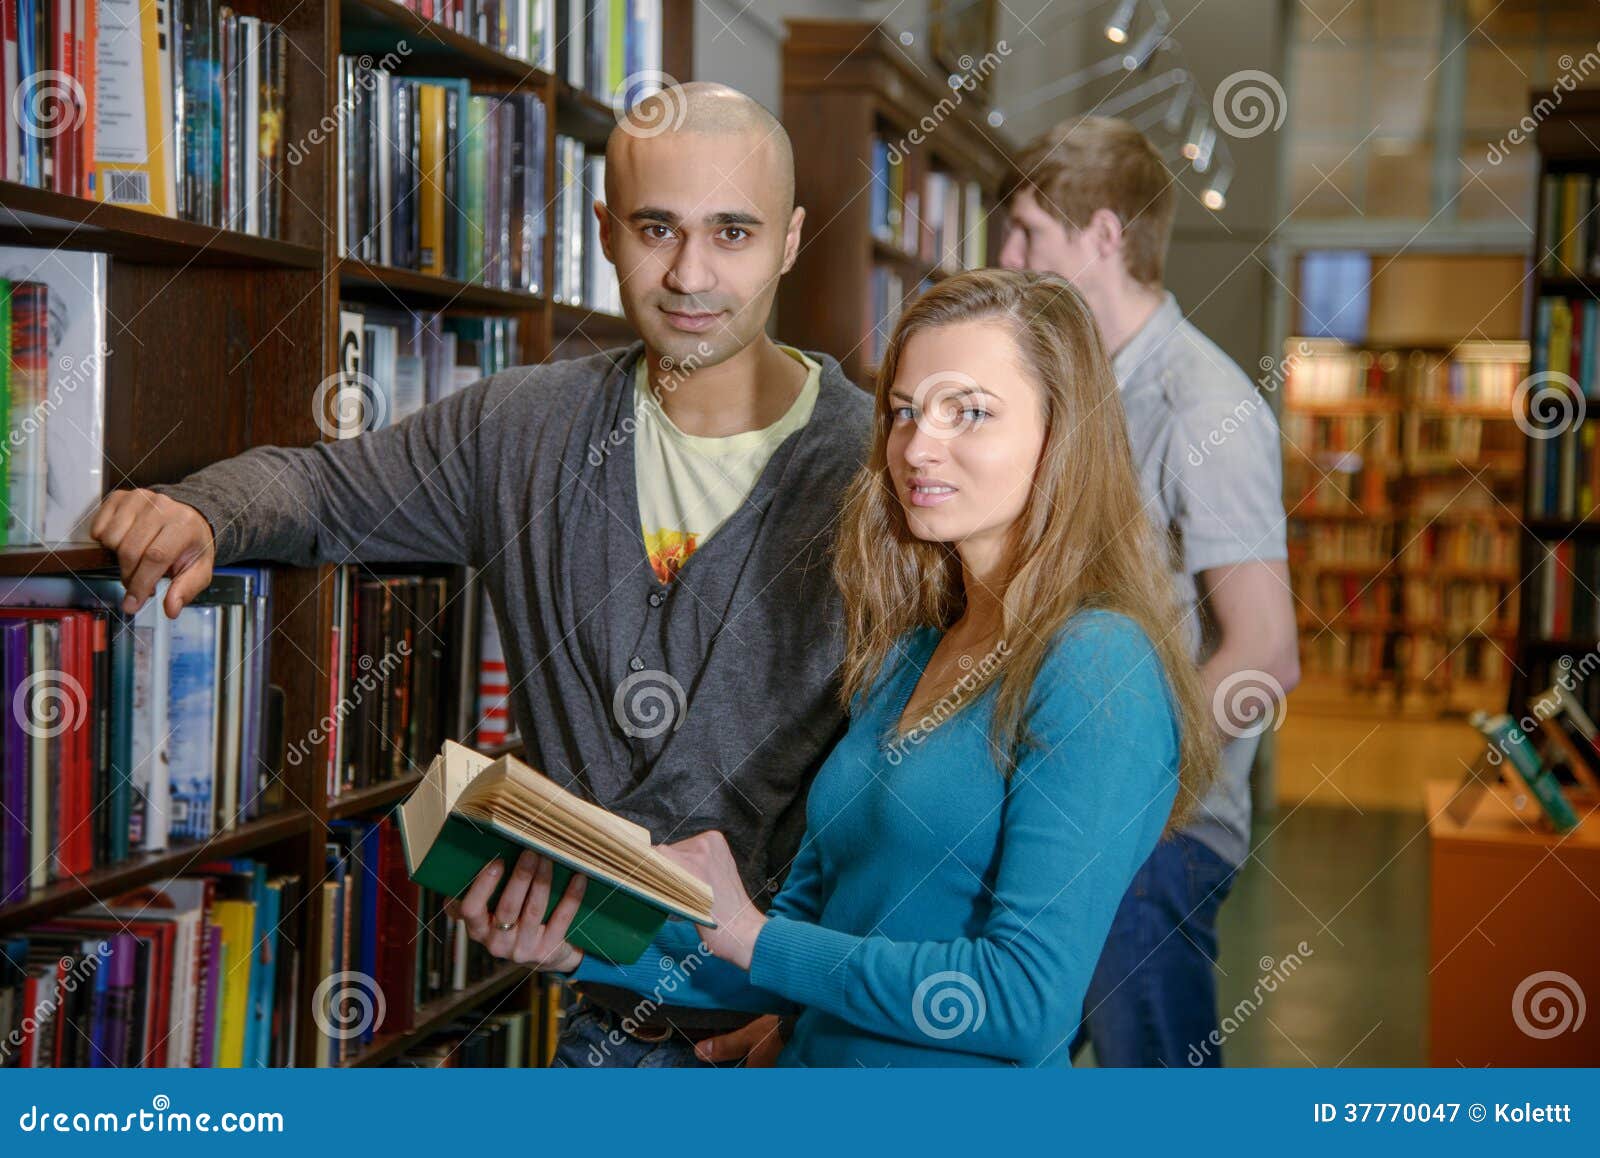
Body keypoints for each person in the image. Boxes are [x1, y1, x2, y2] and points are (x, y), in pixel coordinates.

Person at [87, 82, 872, 1067]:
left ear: (792, 240)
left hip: (813, 1040)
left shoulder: (885, 469)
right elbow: (322, 492)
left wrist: (813, 1014)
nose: (690, 272)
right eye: (656, 227)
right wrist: (200, 509)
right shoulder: (521, 427)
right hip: (602, 1032)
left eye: (734, 233)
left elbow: (937, 794)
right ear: (604, 230)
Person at [450, 267, 1221, 1066]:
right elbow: (793, 964)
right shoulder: (911, 652)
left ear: (1065, 433)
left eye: (972, 413)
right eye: (905, 412)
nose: (919, 447)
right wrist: (581, 947)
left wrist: (753, 934)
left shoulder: (1097, 664)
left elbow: (1021, 1001)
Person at [997, 116, 1300, 1066]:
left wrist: (1127, 785)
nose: (1006, 256)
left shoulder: (1202, 403)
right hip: (1068, 806)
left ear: (1103, 237)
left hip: (1156, 836)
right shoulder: (1088, 387)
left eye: (1027, 233)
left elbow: (1264, 652)